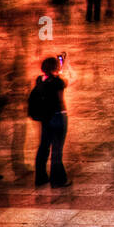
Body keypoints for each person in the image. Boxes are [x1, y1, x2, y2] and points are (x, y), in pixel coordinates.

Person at [29, 56, 70, 188]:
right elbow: (66, 82)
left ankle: (40, 177)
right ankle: (57, 179)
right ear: (56, 68)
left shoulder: (39, 80)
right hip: (58, 116)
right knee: (57, 149)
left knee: (44, 147)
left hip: (46, 119)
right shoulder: (58, 82)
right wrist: (63, 68)